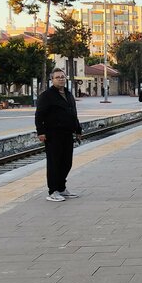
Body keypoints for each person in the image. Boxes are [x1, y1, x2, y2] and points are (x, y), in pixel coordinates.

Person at [35, 68, 82, 202]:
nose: (61, 79)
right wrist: (41, 132)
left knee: (67, 162)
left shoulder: (68, 94)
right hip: (53, 134)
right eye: (57, 77)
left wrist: (78, 130)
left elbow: (73, 114)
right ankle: (53, 191)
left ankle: (62, 188)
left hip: (67, 134)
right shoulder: (47, 95)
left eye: (62, 76)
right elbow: (39, 115)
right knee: (54, 163)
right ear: (52, 80)